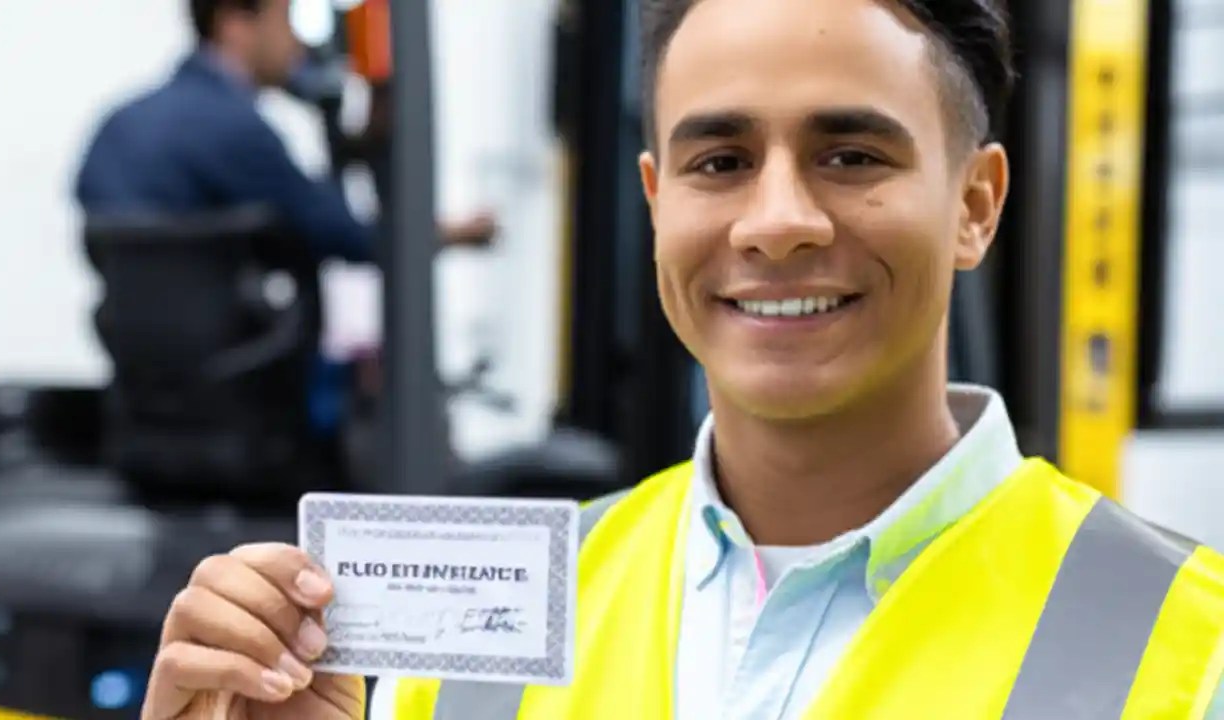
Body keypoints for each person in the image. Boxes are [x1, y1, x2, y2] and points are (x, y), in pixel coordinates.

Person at [138, 0, 1224, 718]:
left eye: (849, 155)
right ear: (657, 204)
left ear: (974, 205)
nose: (778, 220)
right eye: (721, 160)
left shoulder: (1189, 650)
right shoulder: (472, 646)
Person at [75, 0, 495, 265]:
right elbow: (344, 236)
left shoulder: (117, 126)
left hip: (148, 387)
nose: (295, 41)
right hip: (243, 381)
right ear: (235, 22)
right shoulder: (235, 130)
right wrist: (450, 233)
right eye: (285, 17)